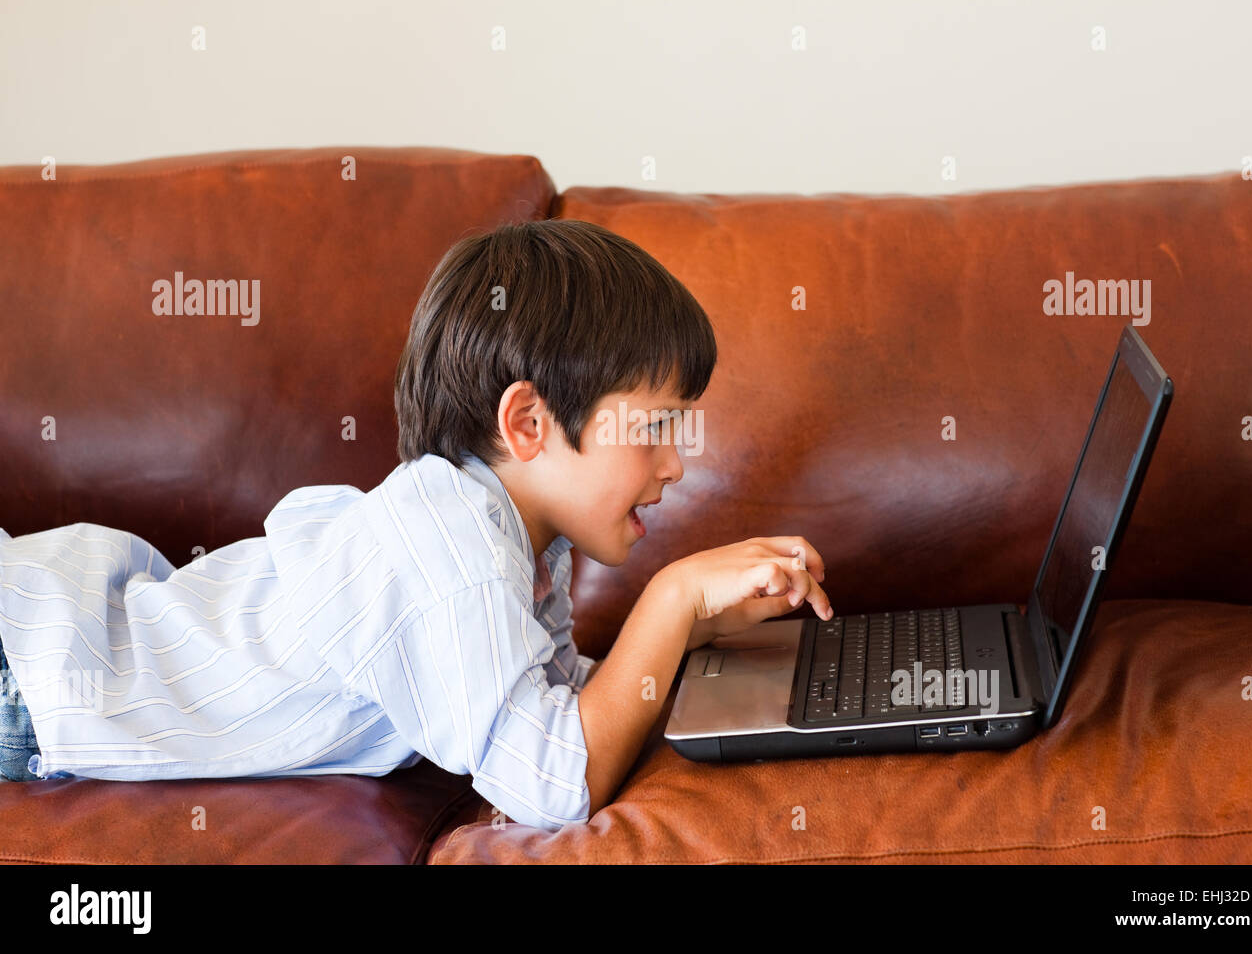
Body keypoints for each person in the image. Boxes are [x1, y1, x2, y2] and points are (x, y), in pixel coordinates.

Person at [0, 219, 832, 830]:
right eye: (653, 428)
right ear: (529, 425)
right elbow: (553, 779)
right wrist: (671, 599)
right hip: (30, 665)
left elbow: (556, 705)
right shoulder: (451, 550)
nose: (676, 464)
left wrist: (692, 631)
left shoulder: (510, 538)